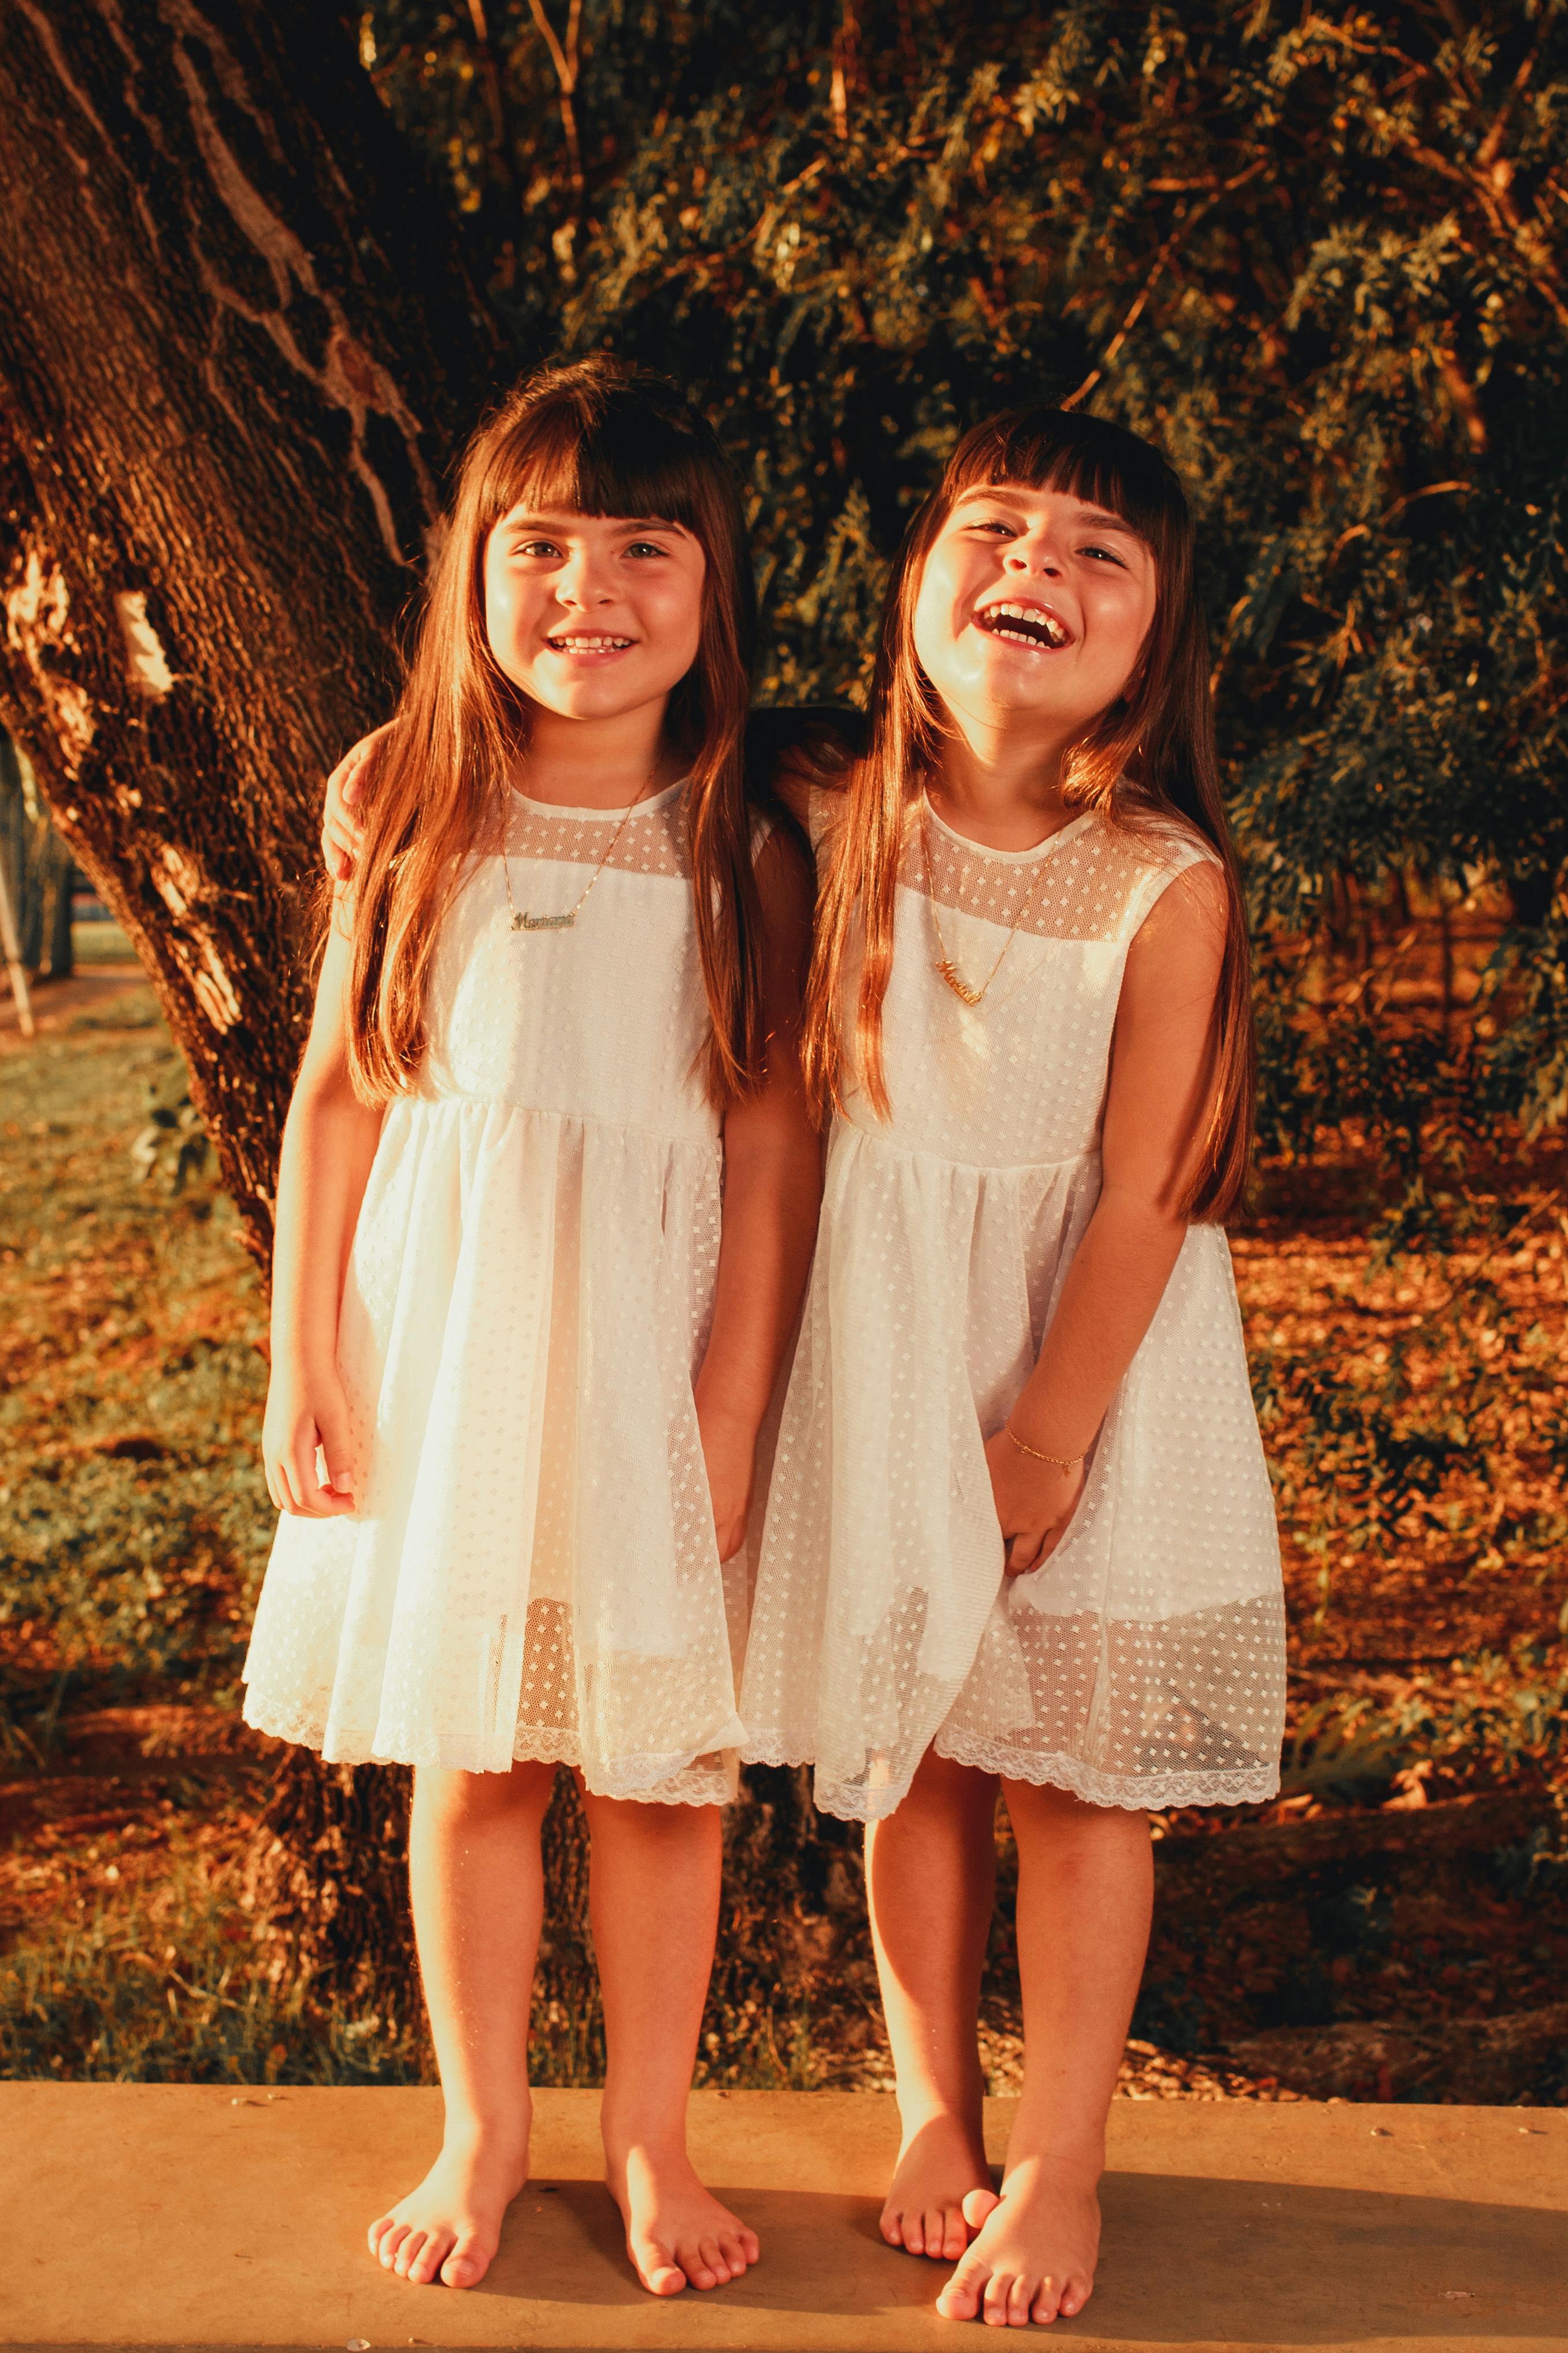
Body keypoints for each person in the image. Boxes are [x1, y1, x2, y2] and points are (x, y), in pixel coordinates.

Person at [244, 357, 821, 2300]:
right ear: (472, 574)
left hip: (655, 1367)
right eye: (543, 546)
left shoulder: (744, 843)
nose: (590, 589)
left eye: (644, 548)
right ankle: (480, 2131)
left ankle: (649, 2138)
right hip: (454, 1358)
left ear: (711, 586)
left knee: (654, 1769)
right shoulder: (414, 807)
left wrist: (728, 1408)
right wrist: (304, 1353)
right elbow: (338, 1095)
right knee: (475, 1757)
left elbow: (769, 1146)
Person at [739, 406, 1287, 2328]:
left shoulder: (1158, 881)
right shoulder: (829, 807)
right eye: (994, 527)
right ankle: (929, 2114)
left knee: (1073, 1781)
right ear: (912, 583)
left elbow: (1146, 1186)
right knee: (918, 1760)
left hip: (1091, 1376)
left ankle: (1059, 2163)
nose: (1034, 564)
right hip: (890, 1359)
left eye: (1094, 553)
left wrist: (1047, 1437)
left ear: (1153, 642)